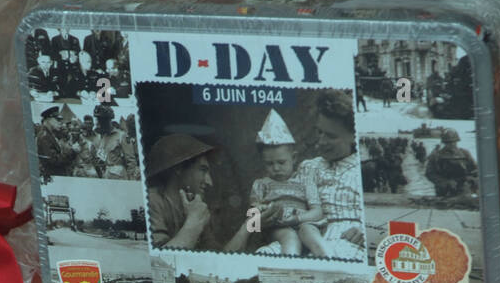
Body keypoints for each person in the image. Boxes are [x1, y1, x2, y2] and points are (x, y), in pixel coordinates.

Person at [146, 134, 250, 254]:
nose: (209, 182)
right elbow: (161, 261)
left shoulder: (195, 208)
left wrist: (250, 224)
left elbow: (219, 260)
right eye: (203, 170)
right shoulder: (151, 201)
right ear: (179, 168)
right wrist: (194, 223)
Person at [295, 90, 366, 260]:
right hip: (309, 238)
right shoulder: (309, 167)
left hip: (349, 240)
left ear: (353, 136)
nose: (322, 142)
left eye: (331, 136)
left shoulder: (362, 169)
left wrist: (365, 230)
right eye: (320, 132)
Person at [249, 109, 328, 258]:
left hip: (304, 222)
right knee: (289, 236)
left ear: (294, 158)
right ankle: (291, 265)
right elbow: (253, 214)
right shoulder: (261, 184)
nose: (276, 168)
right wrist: (262, 209)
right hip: (278, 228)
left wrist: (298, 219)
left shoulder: (305, 181)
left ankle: (328, 260)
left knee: (310, 232)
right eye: (269, 164)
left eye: (281, 162)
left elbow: (318, 212)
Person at [425, 130, 477, 199]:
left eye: (453, 142)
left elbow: (475, 169)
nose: (451, 144)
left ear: (457, 141)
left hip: (463, 186)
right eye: (448, 143)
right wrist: (445, 182)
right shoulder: (436, 155)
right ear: (444, 143)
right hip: (444, 189)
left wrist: (471, 179)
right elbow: (429, 173)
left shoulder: (465, 153)